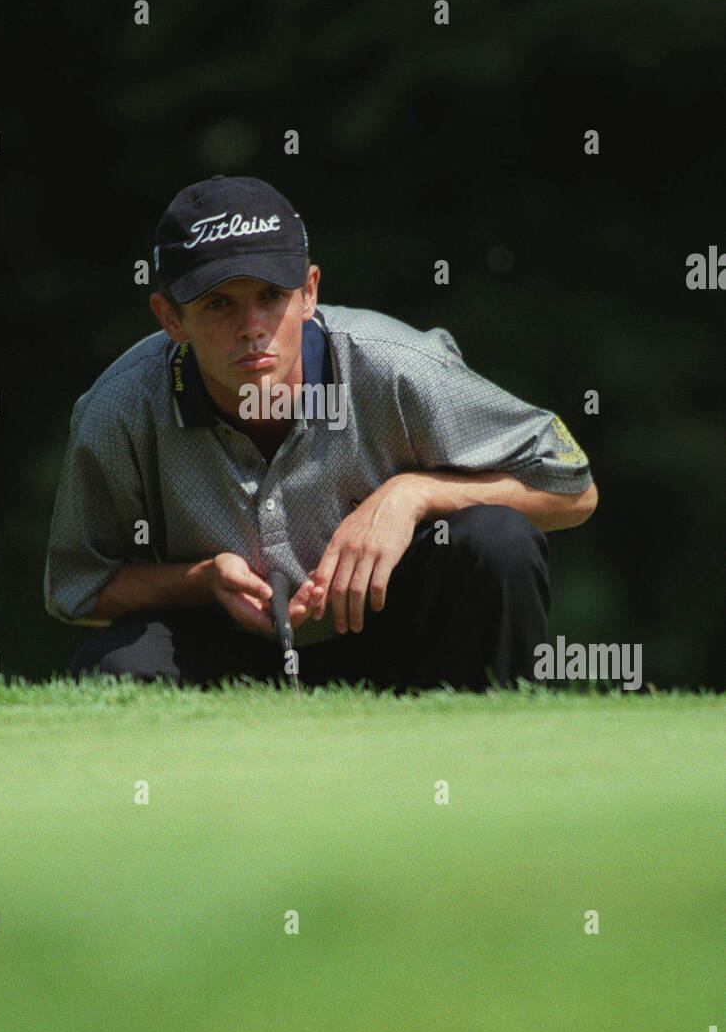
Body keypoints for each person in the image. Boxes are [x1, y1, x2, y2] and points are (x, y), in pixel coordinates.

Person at [44, 174, 598, 691]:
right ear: (170, 318)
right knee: (112, 666)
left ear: (309, 291)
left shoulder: (400, 367)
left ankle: (493, 770)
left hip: (396, 636)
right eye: (218, 304)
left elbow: (573, 489)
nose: (252, 328)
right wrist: (203, 580)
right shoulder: (118, 408)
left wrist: (415, 495)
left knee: (494, 541)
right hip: (223, 651)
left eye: (270, 296)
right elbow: (81, 589)